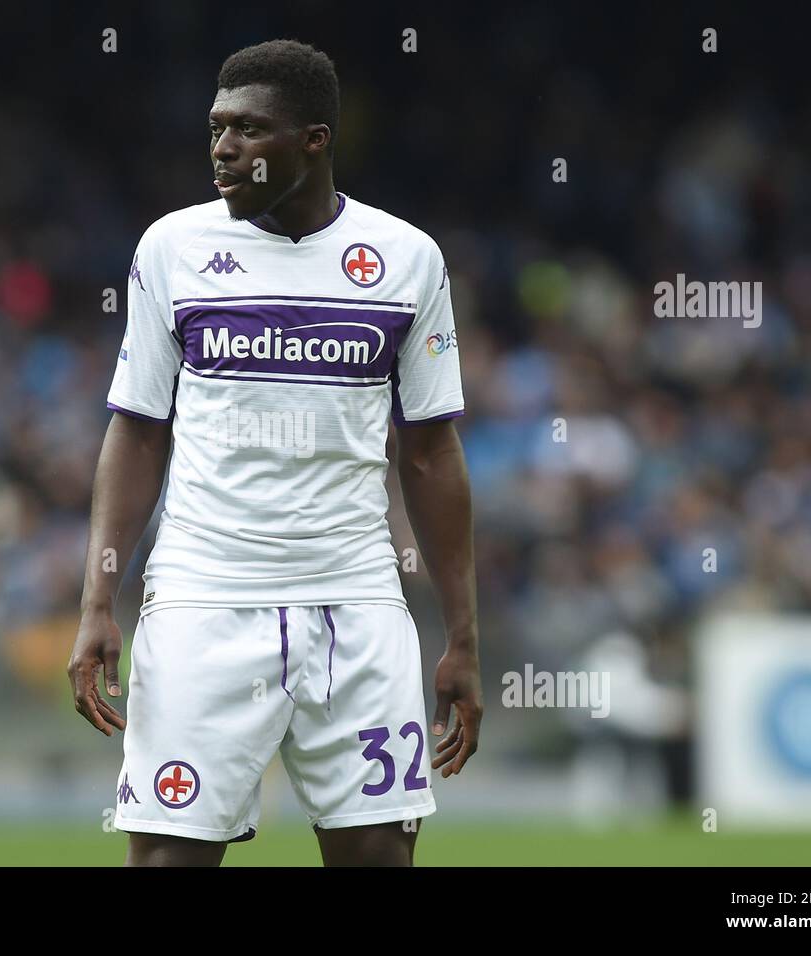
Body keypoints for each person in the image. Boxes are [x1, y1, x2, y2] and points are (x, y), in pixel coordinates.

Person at [69, 39, 482, 867]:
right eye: (217, 129)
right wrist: (97, 599)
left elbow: (431, 452)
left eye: (249, 131)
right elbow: (138, 428)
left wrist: (464, 636)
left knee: (378, 861)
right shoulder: (172, 249)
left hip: (357, 605)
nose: (223, 149)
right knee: (166, 861)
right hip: (202, 600)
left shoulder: (405, 258)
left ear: (314, 139)